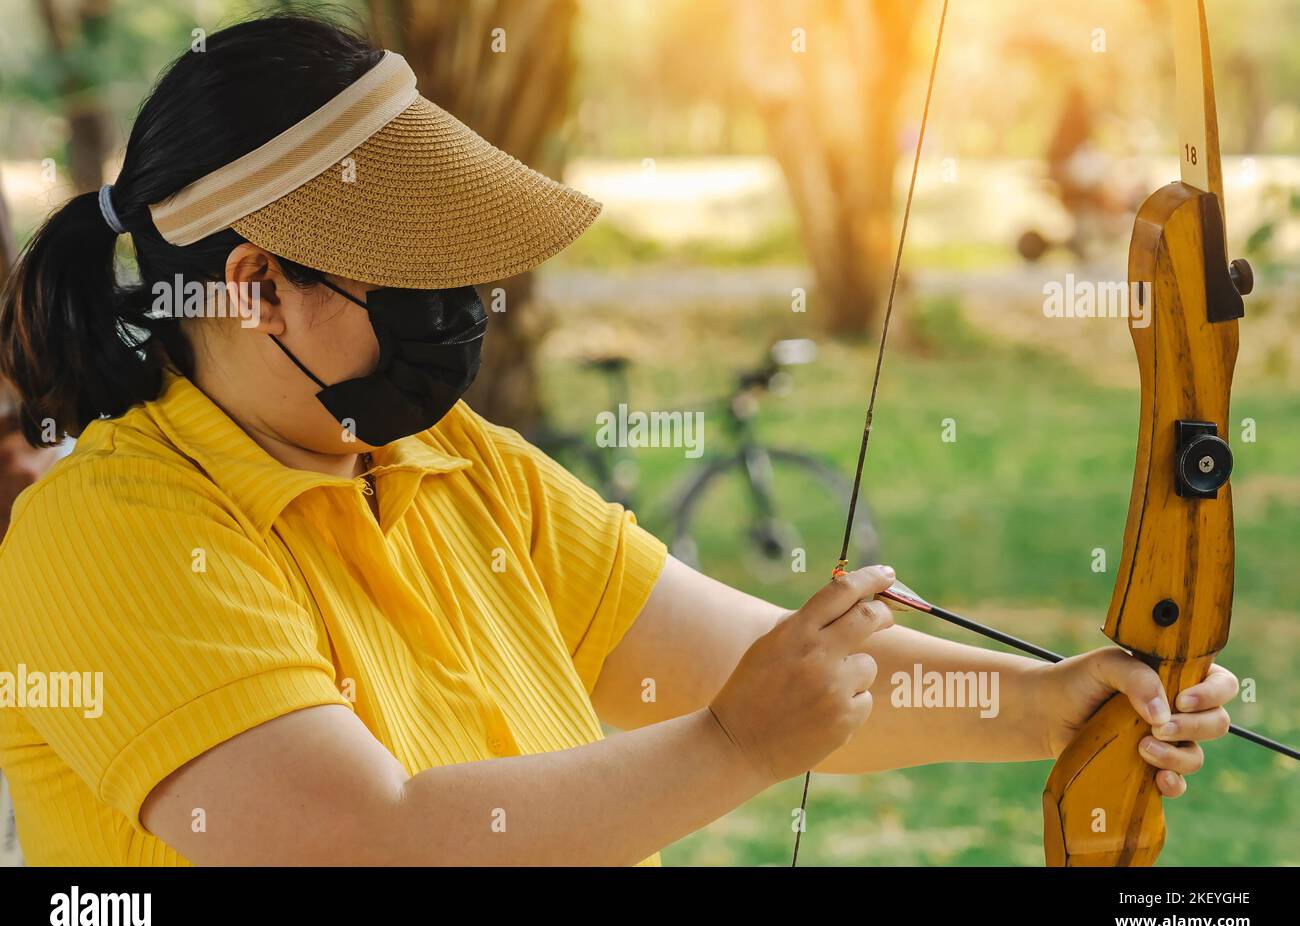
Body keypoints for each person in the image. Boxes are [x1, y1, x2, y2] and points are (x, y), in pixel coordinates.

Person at [0, 14, 1237, 866]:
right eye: (412, 275)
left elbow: (750, 660)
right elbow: (362, 843)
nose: (461, 306)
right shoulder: (111, 531)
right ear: (256, 286)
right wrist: (731, 747)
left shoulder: (451, 462)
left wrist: (1041, 702)